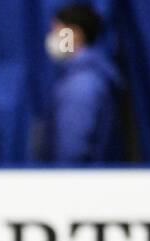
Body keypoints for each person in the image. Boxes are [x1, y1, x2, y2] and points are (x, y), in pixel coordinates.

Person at [37, 3, 124, 164]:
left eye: (57, 31)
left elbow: (72, 148)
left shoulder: (82, 83)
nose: (52, 37)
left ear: (75, 34)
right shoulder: (85, 75)